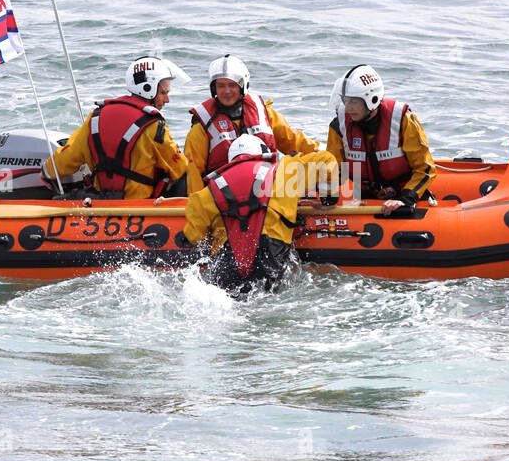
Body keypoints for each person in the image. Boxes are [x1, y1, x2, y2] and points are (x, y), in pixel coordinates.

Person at [180, 133, 339, 294]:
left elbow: (194, 237)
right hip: (270, 257)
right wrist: (328, 200)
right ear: (263, 153)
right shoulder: (285, 170)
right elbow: (327, 160)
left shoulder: (205, 193)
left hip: (226, 264)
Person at [41, 56, 190, 199]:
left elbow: (69, 155)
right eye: (163, 93)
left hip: (102, 203)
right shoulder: (153, 125)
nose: (167, 99)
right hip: (139, 208)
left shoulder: (95, 117)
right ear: (147, 88)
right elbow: (179, 167)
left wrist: (47, 172)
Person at [184, 54, 320, 186]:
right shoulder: (203, 124)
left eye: (232, 85)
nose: (226, 91)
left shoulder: (263, 113)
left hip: (266, 184)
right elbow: (193, 169)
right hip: (224, 191)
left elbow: (292, 140)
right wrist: (196, 203)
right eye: (221, 86)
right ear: (214, 88)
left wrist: (320, 155)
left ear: (242, 86)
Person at [326, 64, 436, 214]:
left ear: (372, 99)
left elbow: (425, 169)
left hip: (405, 195)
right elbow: (335, 169)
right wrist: (326, 198)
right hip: (366, 197)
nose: (348, 107)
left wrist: (405, 199)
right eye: (345, 101)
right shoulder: (339, 125)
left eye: (353, 101)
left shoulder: (402, 120)